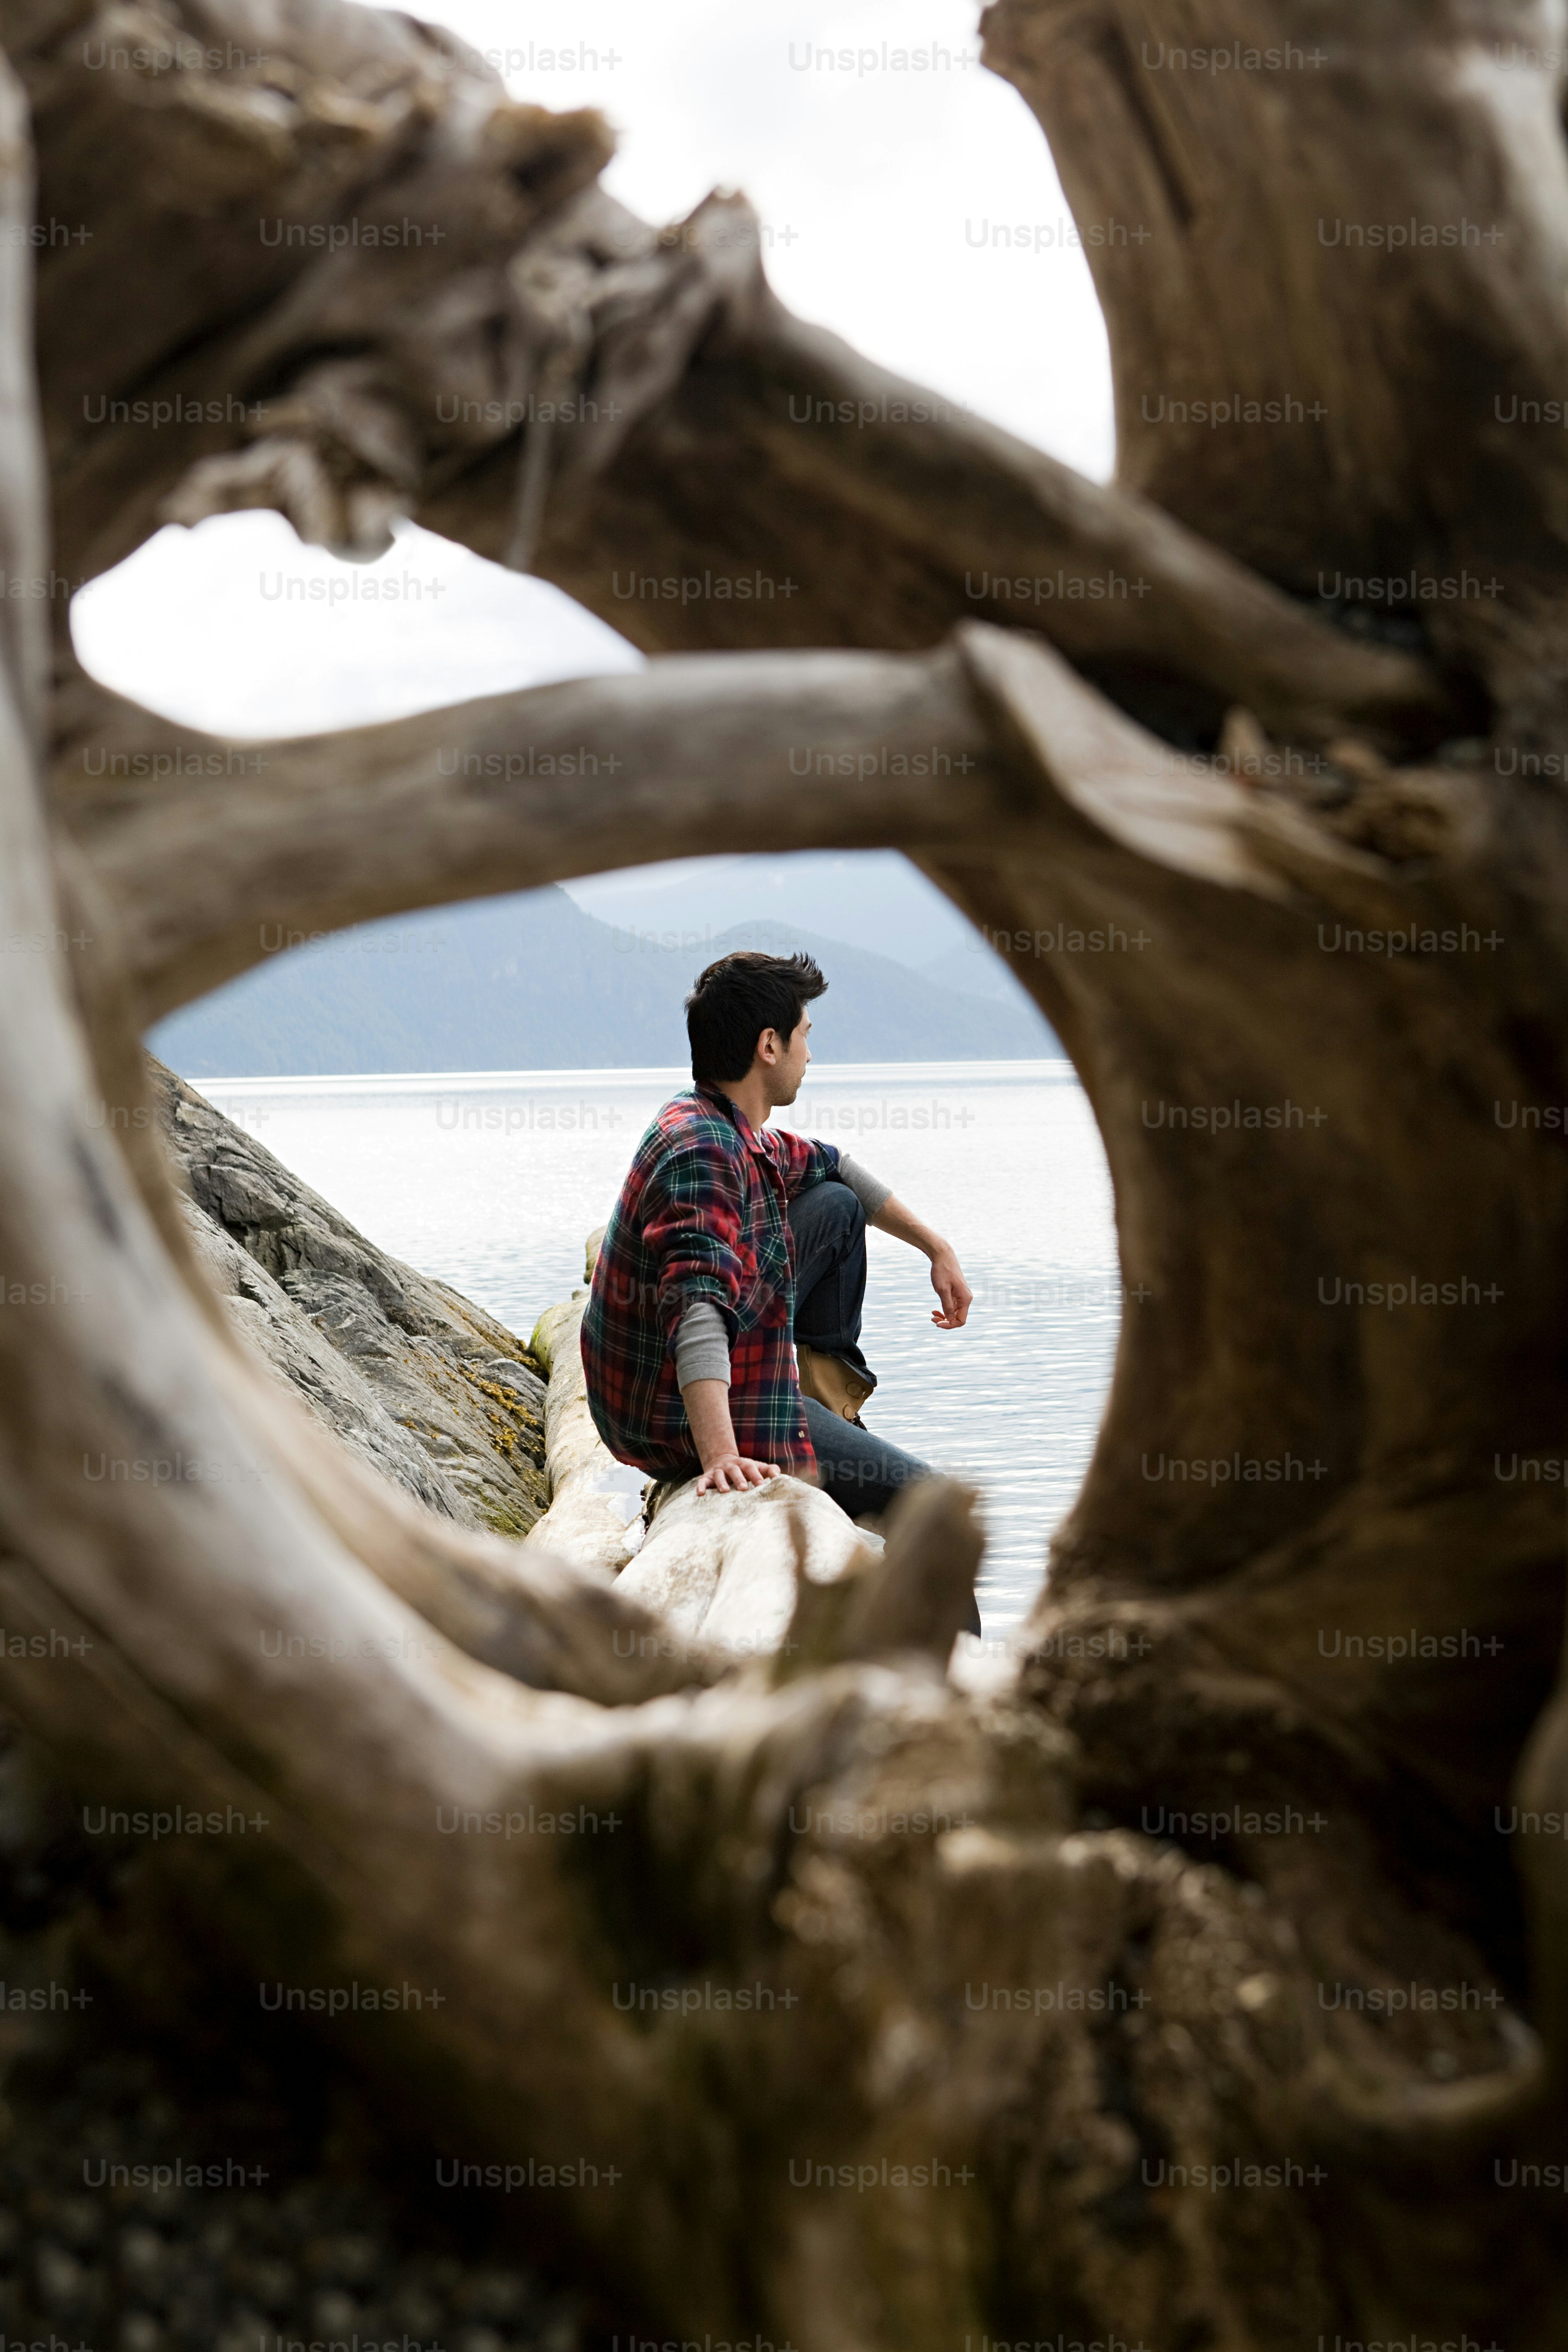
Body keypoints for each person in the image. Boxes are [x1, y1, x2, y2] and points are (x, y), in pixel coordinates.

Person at [581, 949, 979, 1628]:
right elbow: (696, 1309)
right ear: (769, 1045)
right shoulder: (700, 1152)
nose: (810, 1055)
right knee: (927, 1507)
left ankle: (824, 1408)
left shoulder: (728, 1127)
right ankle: (955, 1689)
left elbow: (837, 1167)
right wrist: (721, 1458)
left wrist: (935, 1247)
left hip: (693, 1380)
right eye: (805, 1035)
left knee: (832, 1202)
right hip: (671, 1414)